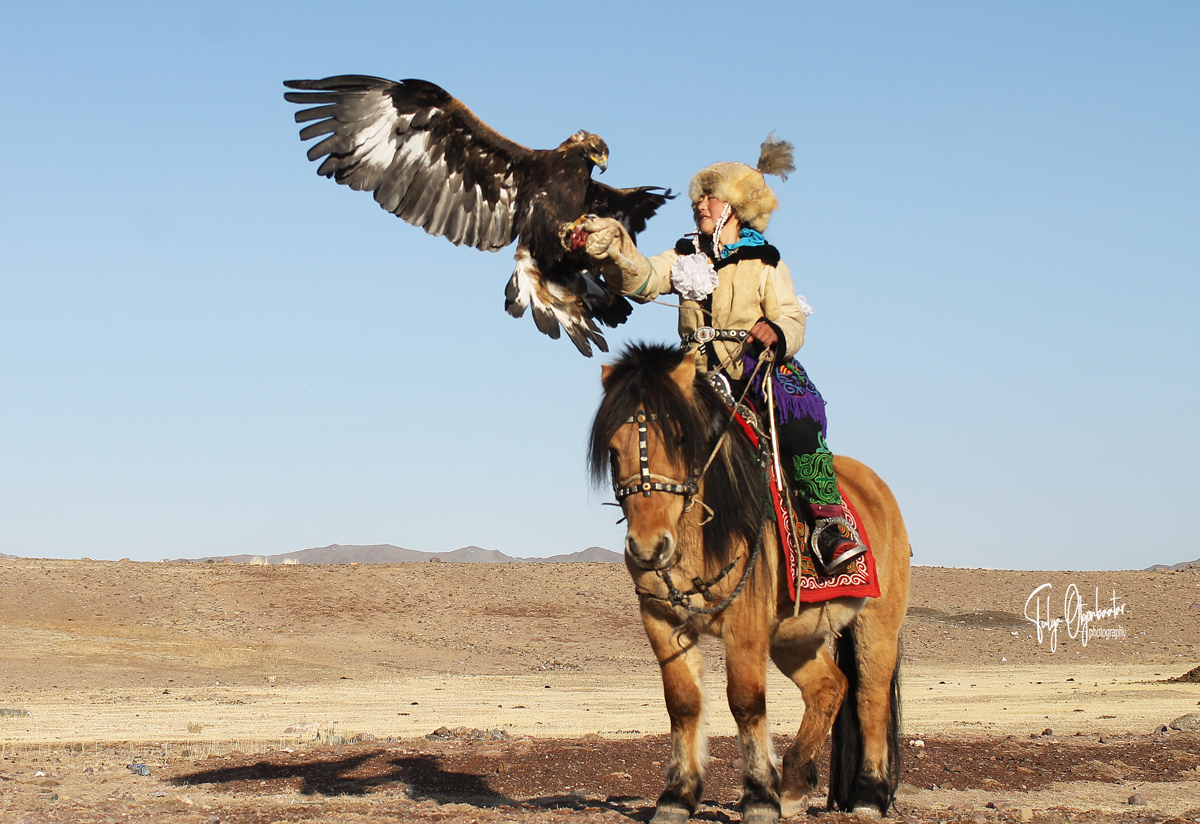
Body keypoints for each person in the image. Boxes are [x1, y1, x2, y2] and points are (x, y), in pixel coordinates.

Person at [578, 137, 866, 575]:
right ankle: (657, 523)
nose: (700, 205)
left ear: (734, 208)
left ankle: (829, 525)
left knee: (800, 428)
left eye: (711, 198)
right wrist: (616, 251)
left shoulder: (765, 264)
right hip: (695, 378)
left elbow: (792, 316)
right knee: (643, 427)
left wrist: (776, 330)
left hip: (755, 371)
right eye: (698, 199)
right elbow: (645, 279)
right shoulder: (684, 256)